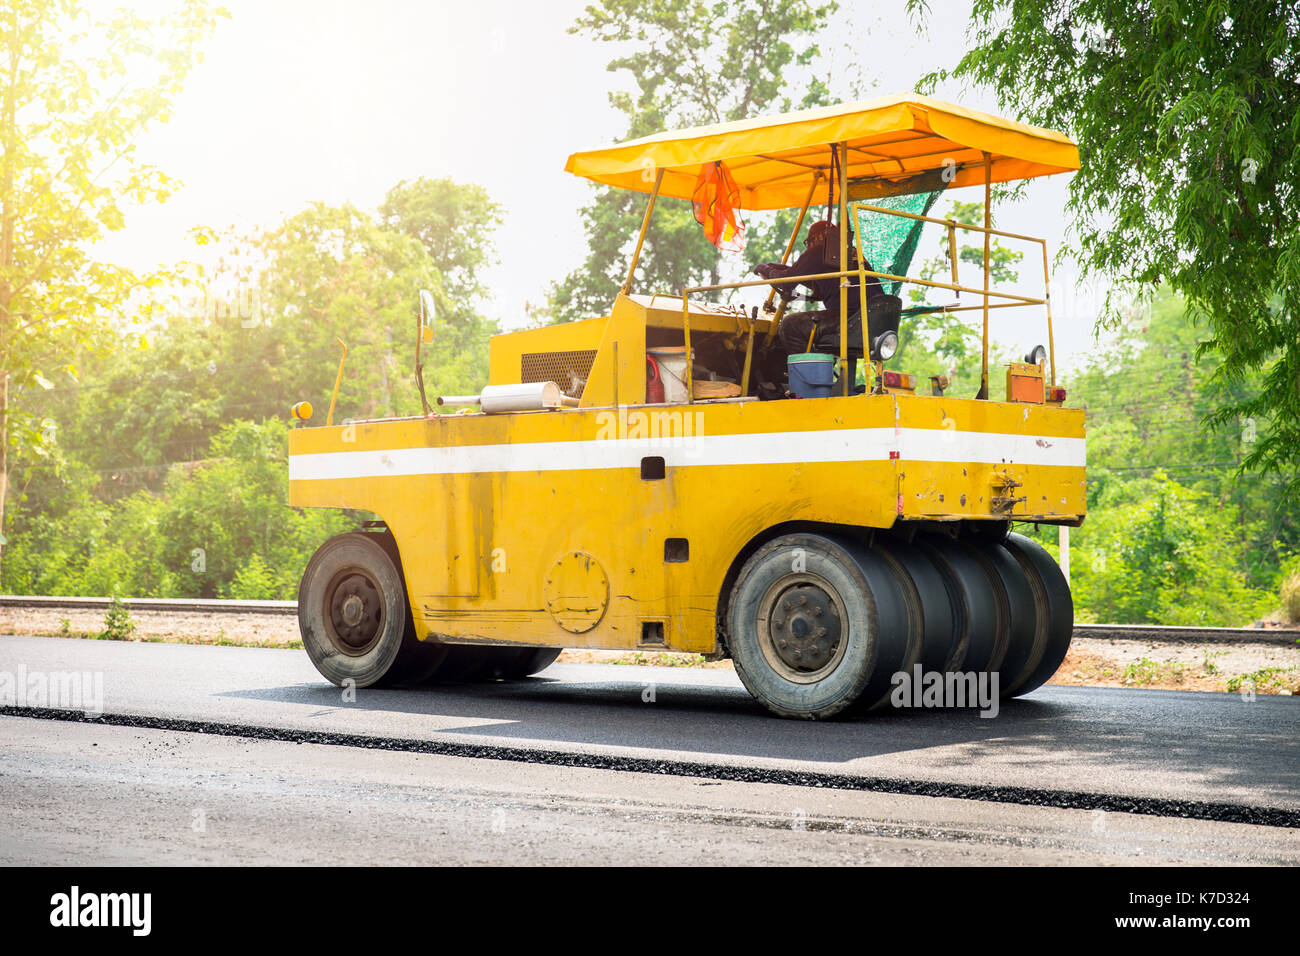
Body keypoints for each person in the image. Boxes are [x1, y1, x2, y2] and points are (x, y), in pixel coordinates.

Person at [754, 219, 884, 356]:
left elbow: (786, 282)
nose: (809, 246)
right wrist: (787, 271)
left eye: (809, 242)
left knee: (790, 325)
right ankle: (822, 368)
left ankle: (806, 374)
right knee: (814, 325)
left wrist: (764, 268)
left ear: (815, 238)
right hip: (876, 318)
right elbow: (819, 290)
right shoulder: (850, 252)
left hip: (851, 317)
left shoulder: (819, 250)